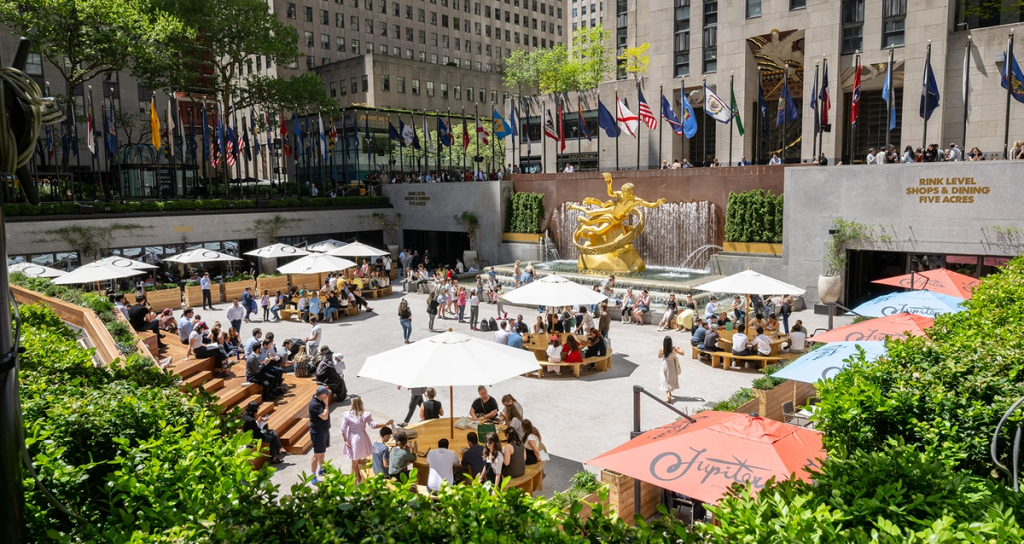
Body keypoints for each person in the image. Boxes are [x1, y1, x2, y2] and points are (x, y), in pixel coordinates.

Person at [341, 397, 394, 485]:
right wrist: (385, 424)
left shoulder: (347, 414)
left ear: (352, 404)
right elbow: (373, 425)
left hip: (353, 438)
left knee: (354, 463)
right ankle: (358, 479)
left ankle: (352, 484)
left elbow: (343, 429)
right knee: (356, 461)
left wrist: (345, 439)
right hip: (362, 438)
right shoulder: (365, 414)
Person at [308, 386, 331, 485]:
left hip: (324, 430)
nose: (327, 396)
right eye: (326, 394)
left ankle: (321, 469)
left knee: (322, 451)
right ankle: (312, 475)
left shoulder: (320, 400)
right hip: (317, 432)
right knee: (316, 454)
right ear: (322, 395)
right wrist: (326, 405)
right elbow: (324, 416)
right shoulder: (315, 405)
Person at [659, 336, 684, 403]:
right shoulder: (674, 348)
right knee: (671, 379)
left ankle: (668, 394)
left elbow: (659, 356)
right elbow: (682, 353)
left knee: (664, 379)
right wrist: (680, 348)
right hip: (672, 365)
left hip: (665, 364)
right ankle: (669, 393)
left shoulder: (662, 349)